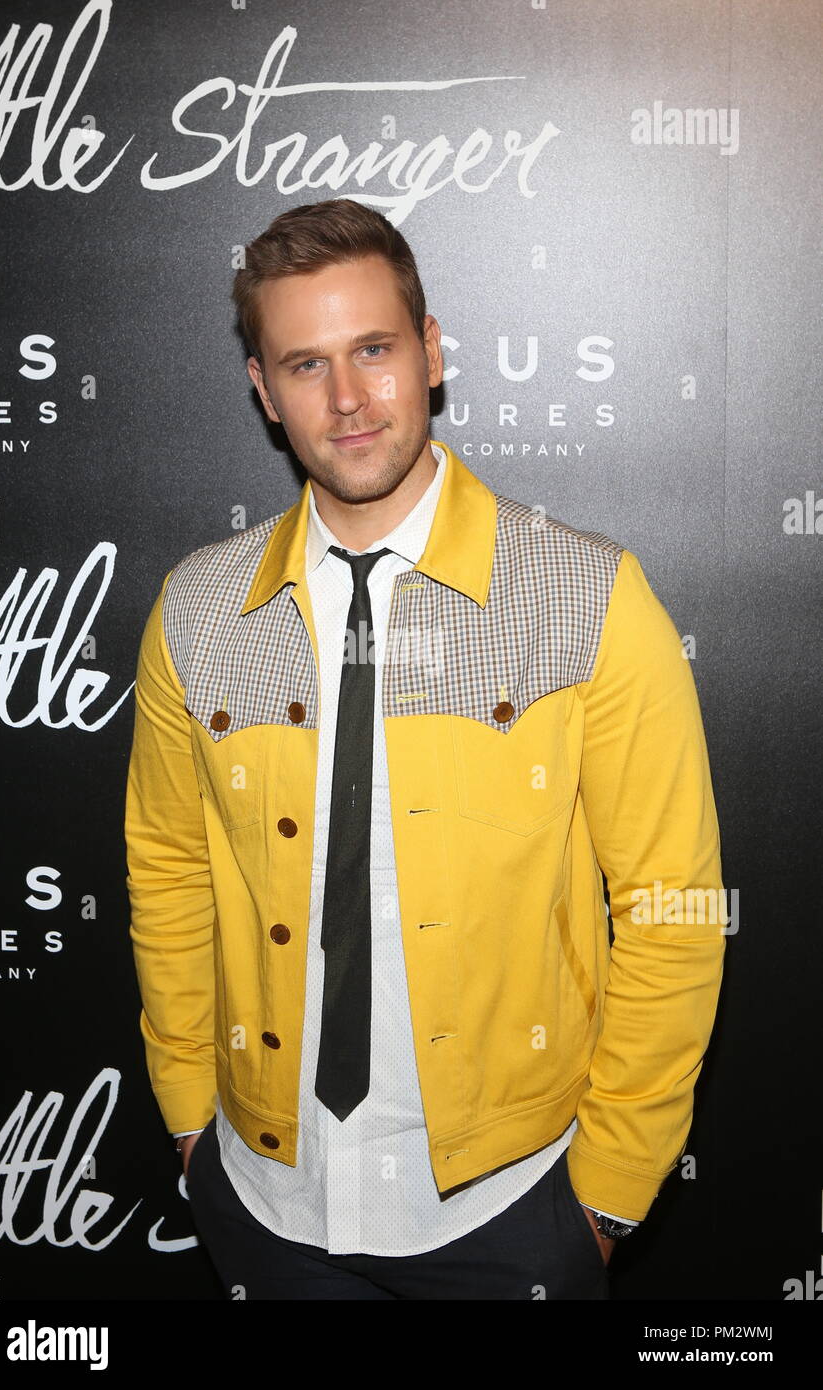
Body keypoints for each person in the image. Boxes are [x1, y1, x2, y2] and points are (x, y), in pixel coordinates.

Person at [124, 197, 726, 1300]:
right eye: (304, 364)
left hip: (514, 1211)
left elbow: (671, 905)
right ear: (261, 389)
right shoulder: (195, 613)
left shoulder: (584, 595)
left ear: (431, 351)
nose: (347, 400)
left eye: (373, 351)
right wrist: (186, 1128)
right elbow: (168, 877)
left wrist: (603, 1195)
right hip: (263, 1205)